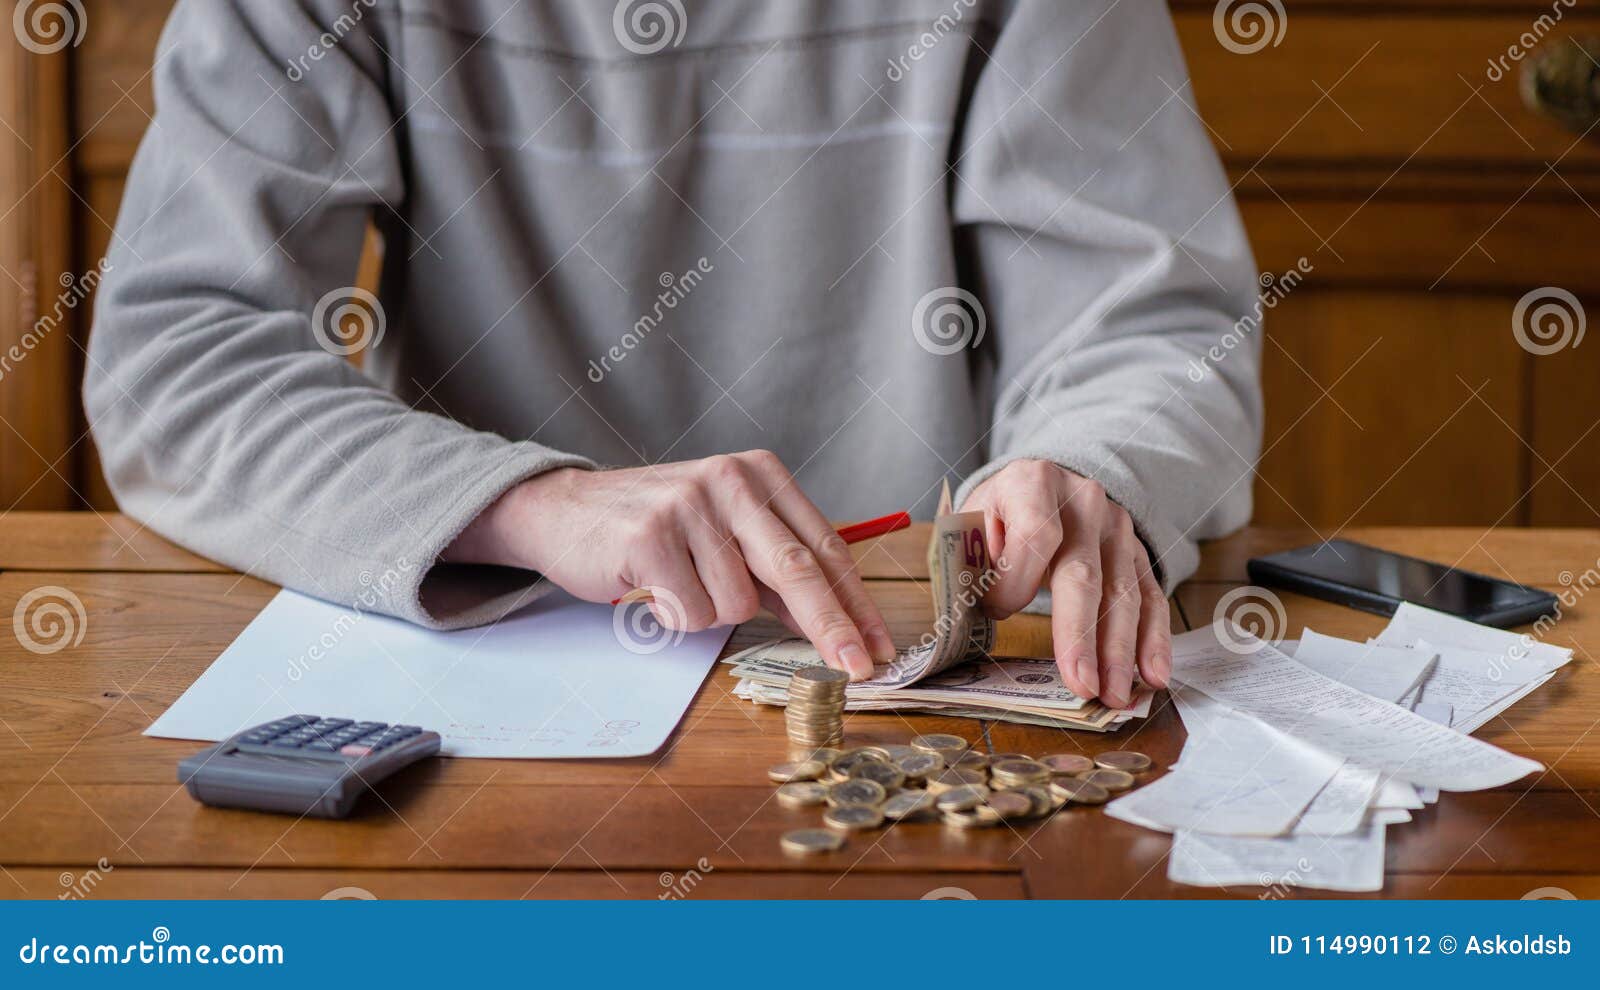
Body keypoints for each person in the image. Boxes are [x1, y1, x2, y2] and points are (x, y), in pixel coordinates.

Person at [84, 0, 1262, 709]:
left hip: (908, 674)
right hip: (486, 661)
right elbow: (173, 358)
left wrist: (1092, 468)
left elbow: (1153, 325)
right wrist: (526, 503)